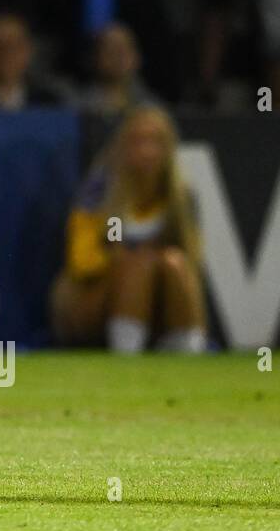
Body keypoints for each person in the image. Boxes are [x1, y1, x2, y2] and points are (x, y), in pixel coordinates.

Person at [51, 106, 208, 354]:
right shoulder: (100, 193)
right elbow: (81, 263)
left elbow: (193, 259)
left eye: (155, 142)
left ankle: (187, 352)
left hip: (157, 305)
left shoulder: (180, 198)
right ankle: (126, 353)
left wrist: (158, 262)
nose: (146, 151)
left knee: (175, 263)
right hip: (94, 303)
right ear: (121, 147)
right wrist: (123, 258)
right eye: (137, 141)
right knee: (137, 264)